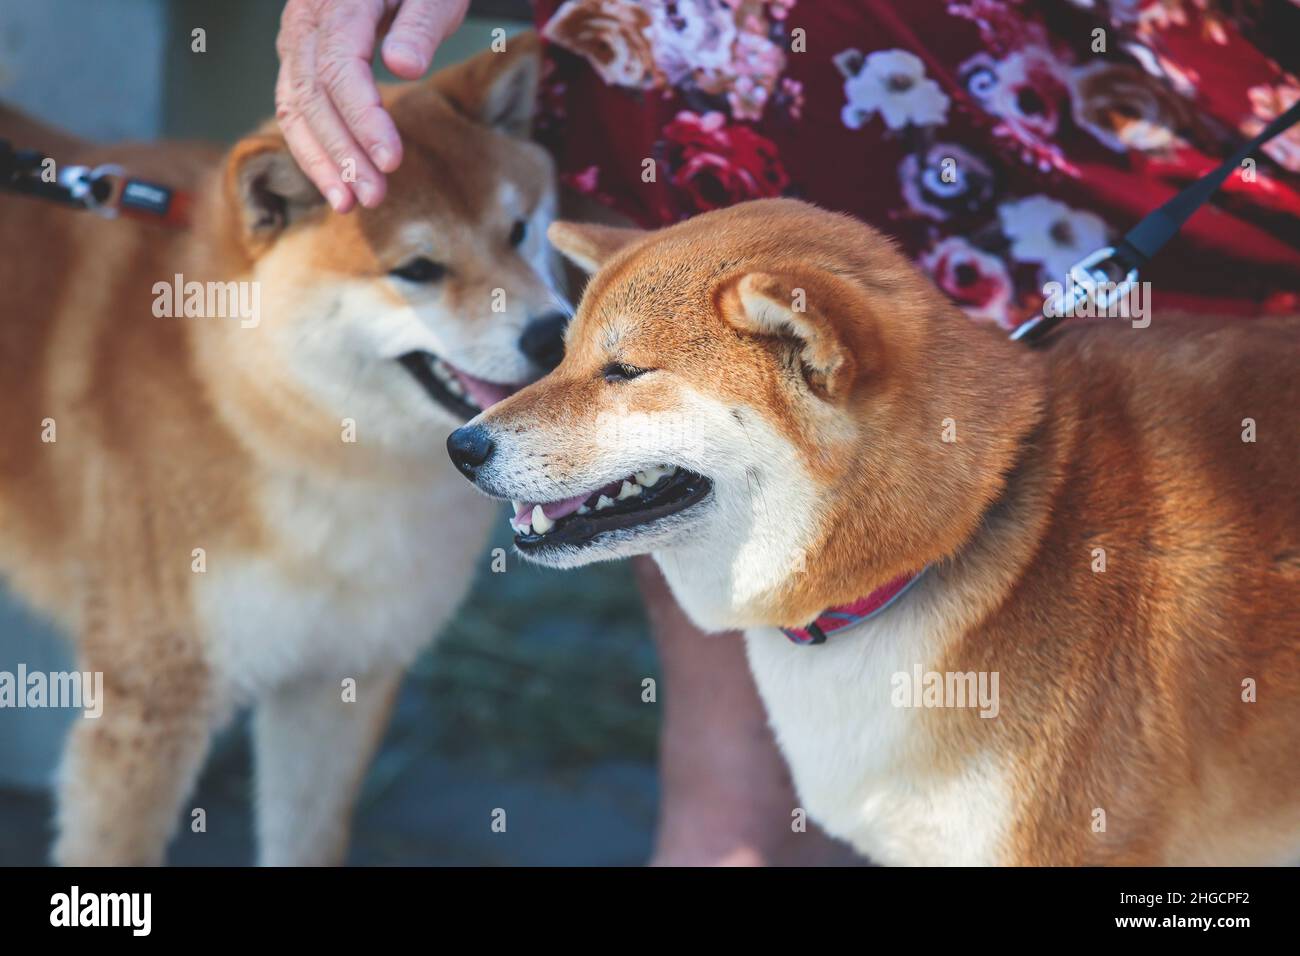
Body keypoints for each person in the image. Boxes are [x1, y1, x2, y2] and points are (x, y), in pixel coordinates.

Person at [276, 0, 1300, 865]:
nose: (501, 422)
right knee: (737, 808)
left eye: (621, 377)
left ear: (810, 352)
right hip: (754, 57)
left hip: (1142, 74)